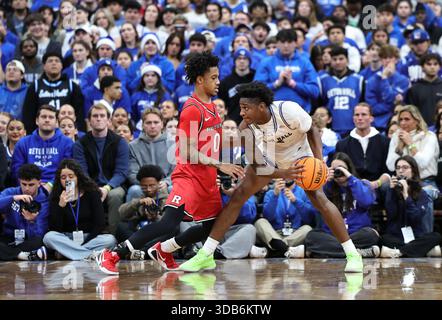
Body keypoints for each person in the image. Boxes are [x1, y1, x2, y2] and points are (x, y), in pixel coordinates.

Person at [179, 80, 364, 273]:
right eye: (240, 108)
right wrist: (283, 173)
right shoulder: (245, 129)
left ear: (261, 106)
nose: (241, 113)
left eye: (245, 108)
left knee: (318, 198)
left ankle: (353, 255)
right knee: (239, 195)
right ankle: (206, 255)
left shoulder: (288, 110)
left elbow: (312, 131)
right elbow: (259, 167)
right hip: (269, 158)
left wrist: (319, 162)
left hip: (300, 155)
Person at [94, 51, 244, 275]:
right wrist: (219, 164)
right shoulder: (192, 109)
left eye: (218, 77)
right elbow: (186, 150)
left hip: (207, 178)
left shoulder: (213, 108)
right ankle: (112, 254)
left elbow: (215, 141)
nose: (218, 81)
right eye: (214, 77)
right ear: (200, 80)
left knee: (211, 226)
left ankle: (164, 250)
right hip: (189, 177)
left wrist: (253, 136)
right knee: (168, 223)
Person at [304, 152, 381, 258]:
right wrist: (323, 182)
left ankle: (322, 252)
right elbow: (313, 209)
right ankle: (359, 253)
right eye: (334, 169)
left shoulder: (360, 184)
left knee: (371, 234)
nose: (338, 172)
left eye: (341, 168)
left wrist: (351, 179)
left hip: (357, 233)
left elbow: (367, 201)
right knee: (312, 236)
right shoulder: (326, 188)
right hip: (332, 235)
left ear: (349, 169)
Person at [43, 159, 117, 260]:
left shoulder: (92, 193)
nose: (67, 180)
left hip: (89, 237)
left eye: (71, 176)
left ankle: (69, 253)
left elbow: (100, 224)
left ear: (78, 177)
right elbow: (55, 229)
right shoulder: (56, 196)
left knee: (110, 240)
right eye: (63, 177)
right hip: (66, 239)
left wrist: (81, 245)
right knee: (49, 237)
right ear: (59, 180)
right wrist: (61, 206)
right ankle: (88, 255)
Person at [73, 104, 129, 235]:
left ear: (109, 121)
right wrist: (93, 188)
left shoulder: (119, 142)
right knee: (86, 194)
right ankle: (88, 235)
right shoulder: (80, 143)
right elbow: (82, 171)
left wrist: (107, 188)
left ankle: (114, 237)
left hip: (113, 185)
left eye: (102, 116)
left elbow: (122, 171)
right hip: (88, 185)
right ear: (89, 120)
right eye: (95, 116)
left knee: (115, 195)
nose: (99, 119)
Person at [380, 156, 442, 258]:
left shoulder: (421, 192)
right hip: (398, 236)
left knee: (436, 236)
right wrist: (391, 191)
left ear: (413, 171)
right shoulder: (391, 191)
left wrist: (406, 195)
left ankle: (399, 252)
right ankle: (424, 251)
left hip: (417, 236)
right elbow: (391, 214)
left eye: (405, 167)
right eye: (398, 168)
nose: (400, 171)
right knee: (384, 238)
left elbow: (416, 217)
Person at [22, 52, 85, 133]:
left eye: (57, 61)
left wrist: (78, 132)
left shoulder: (72, 86)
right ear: (44, 66)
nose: (54, 63)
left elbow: (79, 113)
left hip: (66, 132)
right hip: (42, 132)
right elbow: (28, 114)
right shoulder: (35, 86)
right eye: (50, 61)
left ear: (62, 65)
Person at [11, 105, 74, 186]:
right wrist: (33, 185)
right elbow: (17, 172)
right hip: (29, 188)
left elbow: (70, 173)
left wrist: (51, 185)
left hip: (58, 188)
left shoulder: (67, 143)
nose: (47, 120)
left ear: (56, 122)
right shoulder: (23, 143)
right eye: (44, 117)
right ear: (37, 120)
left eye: (51, 117)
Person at [254, 178, 316, 258]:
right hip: (274, 234)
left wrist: (296, 201)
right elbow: (268, 217)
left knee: (308, 228)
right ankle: (287, 250)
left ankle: (275, 250)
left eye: (290, 173)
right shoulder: (270, 193)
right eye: (285, 173)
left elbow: (309, 218)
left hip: (295, 235)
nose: (287, 176)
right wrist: (275, 196)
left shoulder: (304, 192)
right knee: (260, 222)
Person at [0, 164, 49, 261]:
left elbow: (39, 233)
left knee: (40, 241)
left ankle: (11, 254)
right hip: (9, 238)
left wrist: (32, 221)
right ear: (19, 182)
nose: (26, 188)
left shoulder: (44, 201)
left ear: (39, 183)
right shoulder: (11, 192)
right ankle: (22, 255)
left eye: (31, 185)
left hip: (29, 241)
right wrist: (13, 198)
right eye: (24, 184)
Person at [335, 103, 390, 181]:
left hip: (379, 185)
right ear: (353, 118)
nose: (360, 118)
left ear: (371, 118)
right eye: (357, 115)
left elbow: (388, 170)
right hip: (351, 185)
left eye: (364, 114)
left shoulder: (385, 142)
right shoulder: (342, 144)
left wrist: (376, 184)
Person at [116, 165, 169, 244]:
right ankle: (137, 247)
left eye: (152, 185)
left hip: (158, 237)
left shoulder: (166, 199)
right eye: (144, 186)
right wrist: (139, 202)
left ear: (159, 183)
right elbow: (121, 213)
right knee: (122, 226)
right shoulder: (140, 198)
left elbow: (168, 225)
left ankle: (139, 247)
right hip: (140, 233)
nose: (148, 189)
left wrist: (155, 218)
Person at [407, 53, 442, 127]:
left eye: (435, 64)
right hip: (421, 129)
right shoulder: (414, 89)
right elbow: (411, 112)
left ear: (440, 67)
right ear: (422, 67)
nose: (432, 67)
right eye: (429, 64)